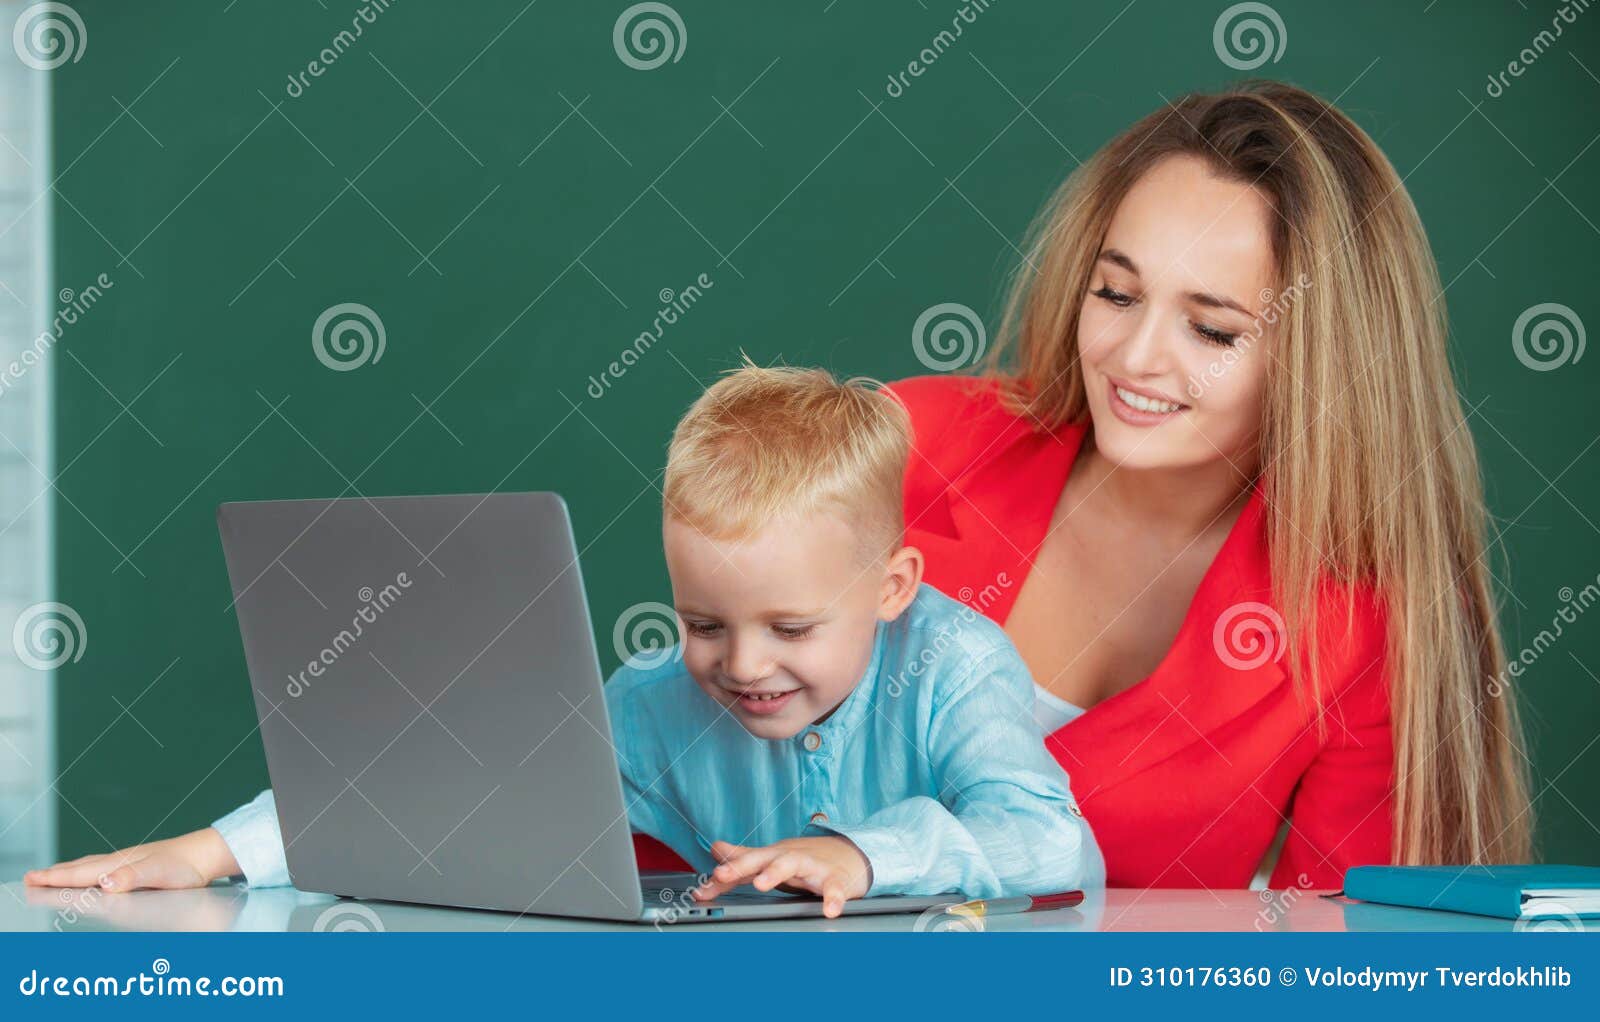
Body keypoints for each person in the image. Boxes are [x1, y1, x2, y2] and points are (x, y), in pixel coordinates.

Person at [28, 361, 1102, 918]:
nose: (742, 663)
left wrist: (861, 854)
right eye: (702, 622)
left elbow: (1056, 845)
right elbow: (460, 777)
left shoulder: (952, 665)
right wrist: (212, 854)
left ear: (892, 586)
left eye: (790, 625)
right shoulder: (658, 704)